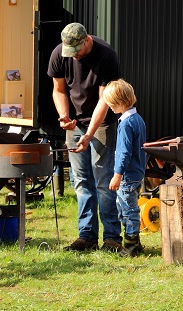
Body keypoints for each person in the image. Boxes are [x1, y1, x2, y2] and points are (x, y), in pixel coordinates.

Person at [48, 22, 122, 252]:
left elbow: (105, 100)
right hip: (75, 124)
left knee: (103, 181)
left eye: (78, 50)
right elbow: (59, 90)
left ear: (87, 39)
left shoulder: (107, 55)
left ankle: (111, 238)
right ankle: (86, 237)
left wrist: (89, 134)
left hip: (102, 122)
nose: (75, 56)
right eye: (71, 52)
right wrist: (64, 117)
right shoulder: (60, 53)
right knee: (81, 182)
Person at [103, 79, 147, 257]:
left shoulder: (126, 124)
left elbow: (124, 153)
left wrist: (117, 175)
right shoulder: (138, 119)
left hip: (127, 175)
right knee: (127, 207)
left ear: (121, 102)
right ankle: (136, 243)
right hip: (137, 172)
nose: (110, 107)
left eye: (112, 104)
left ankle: (130, 247)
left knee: (128, 210)